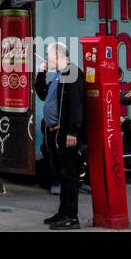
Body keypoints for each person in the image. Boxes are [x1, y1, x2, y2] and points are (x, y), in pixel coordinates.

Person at [34, 41, 85, 230]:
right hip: (53, 132)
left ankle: (72, 216)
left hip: (65, 133)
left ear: (59, 55)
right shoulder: (58, 75)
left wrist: (73, 131)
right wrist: (41, 73)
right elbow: (42, 93)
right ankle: (63, 212)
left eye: (49, 55)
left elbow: (76, 104)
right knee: (61, 174)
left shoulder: (73, 73)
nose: (47, 58)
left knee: (70, 175)